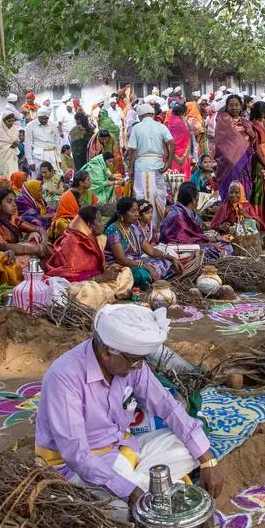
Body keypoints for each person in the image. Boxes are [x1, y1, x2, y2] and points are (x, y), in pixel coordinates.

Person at [34, 304, 222, 511]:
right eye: (134, 361)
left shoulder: (130, 363)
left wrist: (208, 462)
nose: (139, 367)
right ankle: (151, 486)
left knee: (193, 446)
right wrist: (128, 491)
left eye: (141, 360)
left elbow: (167, 406)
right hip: (78, 468)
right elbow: (77, 456)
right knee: (119, 511)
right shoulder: (64, 377)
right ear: (107, 353)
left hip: (122, 449)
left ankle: (147, 485)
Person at [47, 206, 135, 309]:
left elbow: (96, 265)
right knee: (88, 290)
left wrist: (107, 267)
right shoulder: (71, 242)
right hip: (78, 284)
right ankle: (113, 294)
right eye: (99, 221)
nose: (103, 224)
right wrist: (100, 278)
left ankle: (111, 295)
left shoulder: (94, 238)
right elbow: (68, 277)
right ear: (89, 225)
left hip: (96, 279)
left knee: (126, 271)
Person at [105, 197, 176, 288]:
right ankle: (149, 280)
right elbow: (121, 259)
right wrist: (145, 266)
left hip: (135, 261)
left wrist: (171, 258)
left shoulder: (133, 228)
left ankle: (153, 278)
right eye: (133, 211)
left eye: (137, 211)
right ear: (122, 214)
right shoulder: (113, 230)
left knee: (165, 261)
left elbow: (151, 251)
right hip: (119, 266)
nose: (137, 214)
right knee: (141, 274)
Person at [160, 182, 234, 260]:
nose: (199, 199)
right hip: (179, 250)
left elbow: (195, 234)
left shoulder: (187, 210)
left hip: (194, 243)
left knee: (226, 244)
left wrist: (218, 238)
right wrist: (209, 244)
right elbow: (183, 241)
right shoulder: (178, 216)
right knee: (223, 248)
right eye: (198, 196)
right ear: (193, 200)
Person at [127, 103, 175, 222]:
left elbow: (132, 150)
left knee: (144, 195)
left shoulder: (137, 128)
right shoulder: (161, 126)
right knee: (160, 195)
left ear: (140, 116)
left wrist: (129, 167)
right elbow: (172, 143)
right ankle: (159, 224)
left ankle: (149, 226)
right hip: (158, 164)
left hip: (143, 166)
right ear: (152, 114)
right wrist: (168, 163)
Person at [0, 187, 49, 260]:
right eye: (9, 201)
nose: (14, 205)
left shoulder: (12, 218)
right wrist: (36, 249)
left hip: (18, 250)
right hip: (0, 257)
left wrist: (43, 244)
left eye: (14, 201)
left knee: (35, 235)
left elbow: (39, 229)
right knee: (29, 259)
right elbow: (4, 246)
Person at [213, 95, 255, 198]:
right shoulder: (223, 121)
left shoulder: (245, 122)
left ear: (241, 106)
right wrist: (231, 159)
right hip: (228, 162)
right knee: (229, 189)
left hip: (244, 161)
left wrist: (253, 136)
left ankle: (242, 208)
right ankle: (227, 211)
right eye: (231, 105)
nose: (234, 108)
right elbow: (220, 142)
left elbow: (251, 143)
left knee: (243, 188)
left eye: (237, 105)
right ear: (226, 107)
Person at [51, 170, 96, 240]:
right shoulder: (66, 195)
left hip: (86, 222)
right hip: (70, 222)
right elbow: (61, 216)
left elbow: (94, 209)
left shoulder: (89, 193)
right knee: (60, 223)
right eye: (88, 180)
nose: (90, 181)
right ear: (81, 183)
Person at [165, 104, 195, 179]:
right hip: (183, 153)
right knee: (183, 177)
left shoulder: (170, 122)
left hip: (173, 154)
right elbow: (187, 138)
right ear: (182, 113)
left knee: (173, 178)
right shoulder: (181, 123)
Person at [26, 108, 60, 172]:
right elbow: (28, 144)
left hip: (52, 155)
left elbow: (57, 143)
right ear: (38, 116)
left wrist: (59, 159)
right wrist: (30, 161)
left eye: (46, 118)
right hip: (37, 157)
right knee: (37, 179)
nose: (44, 120)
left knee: (54, 177)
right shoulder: (30, 126)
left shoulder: (53, 125)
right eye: (42, 118)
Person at [0, 110, 22, 177]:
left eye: (13, 121)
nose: (11, 123)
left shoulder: (14, 129)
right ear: (3, 121)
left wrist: (16, 143)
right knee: (5, 175)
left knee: (13, 173)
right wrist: (10, 145)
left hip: (12, 156)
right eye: (9, 121)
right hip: (2, 156)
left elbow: (16, 139)